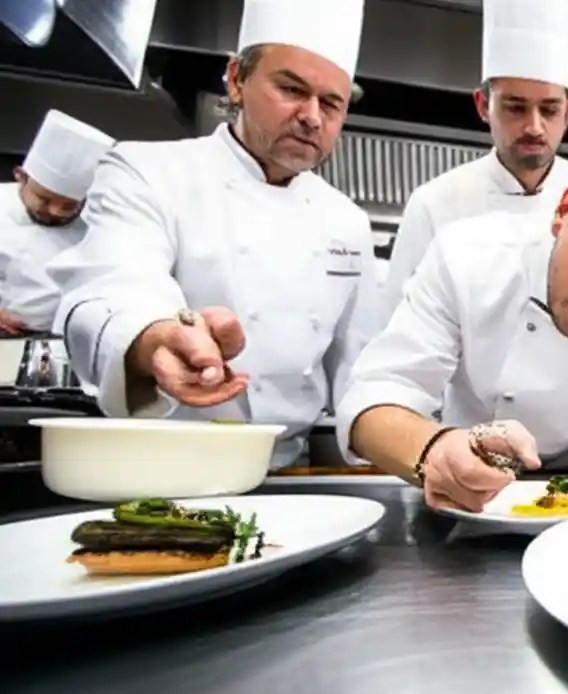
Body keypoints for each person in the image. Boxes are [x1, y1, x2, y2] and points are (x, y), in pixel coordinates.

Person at [50, 0, 378, 470]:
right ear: (237, 80)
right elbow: (115, 284)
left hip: (289, 474)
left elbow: (359, 367)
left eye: (331, 104)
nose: (311, 116)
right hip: (161, 469)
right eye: (291, 89)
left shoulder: (346, 219)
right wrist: (155, 337)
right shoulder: (148, 171)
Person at [337, 123, 568, 512]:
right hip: (461, 506)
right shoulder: (469, 260)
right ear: (563, 210)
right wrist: (434, 449)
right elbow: (376, 396)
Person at [372, 0, 568, 330]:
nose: (534, 127)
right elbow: (396, 328)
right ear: (483, 105)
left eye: (549, 109)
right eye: (516, 108)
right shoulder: (434, 203)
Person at [0, 110, 114, 334]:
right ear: (21, 176)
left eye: (69, 205)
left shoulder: (99, 226)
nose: (55, 211)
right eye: (43, 199)